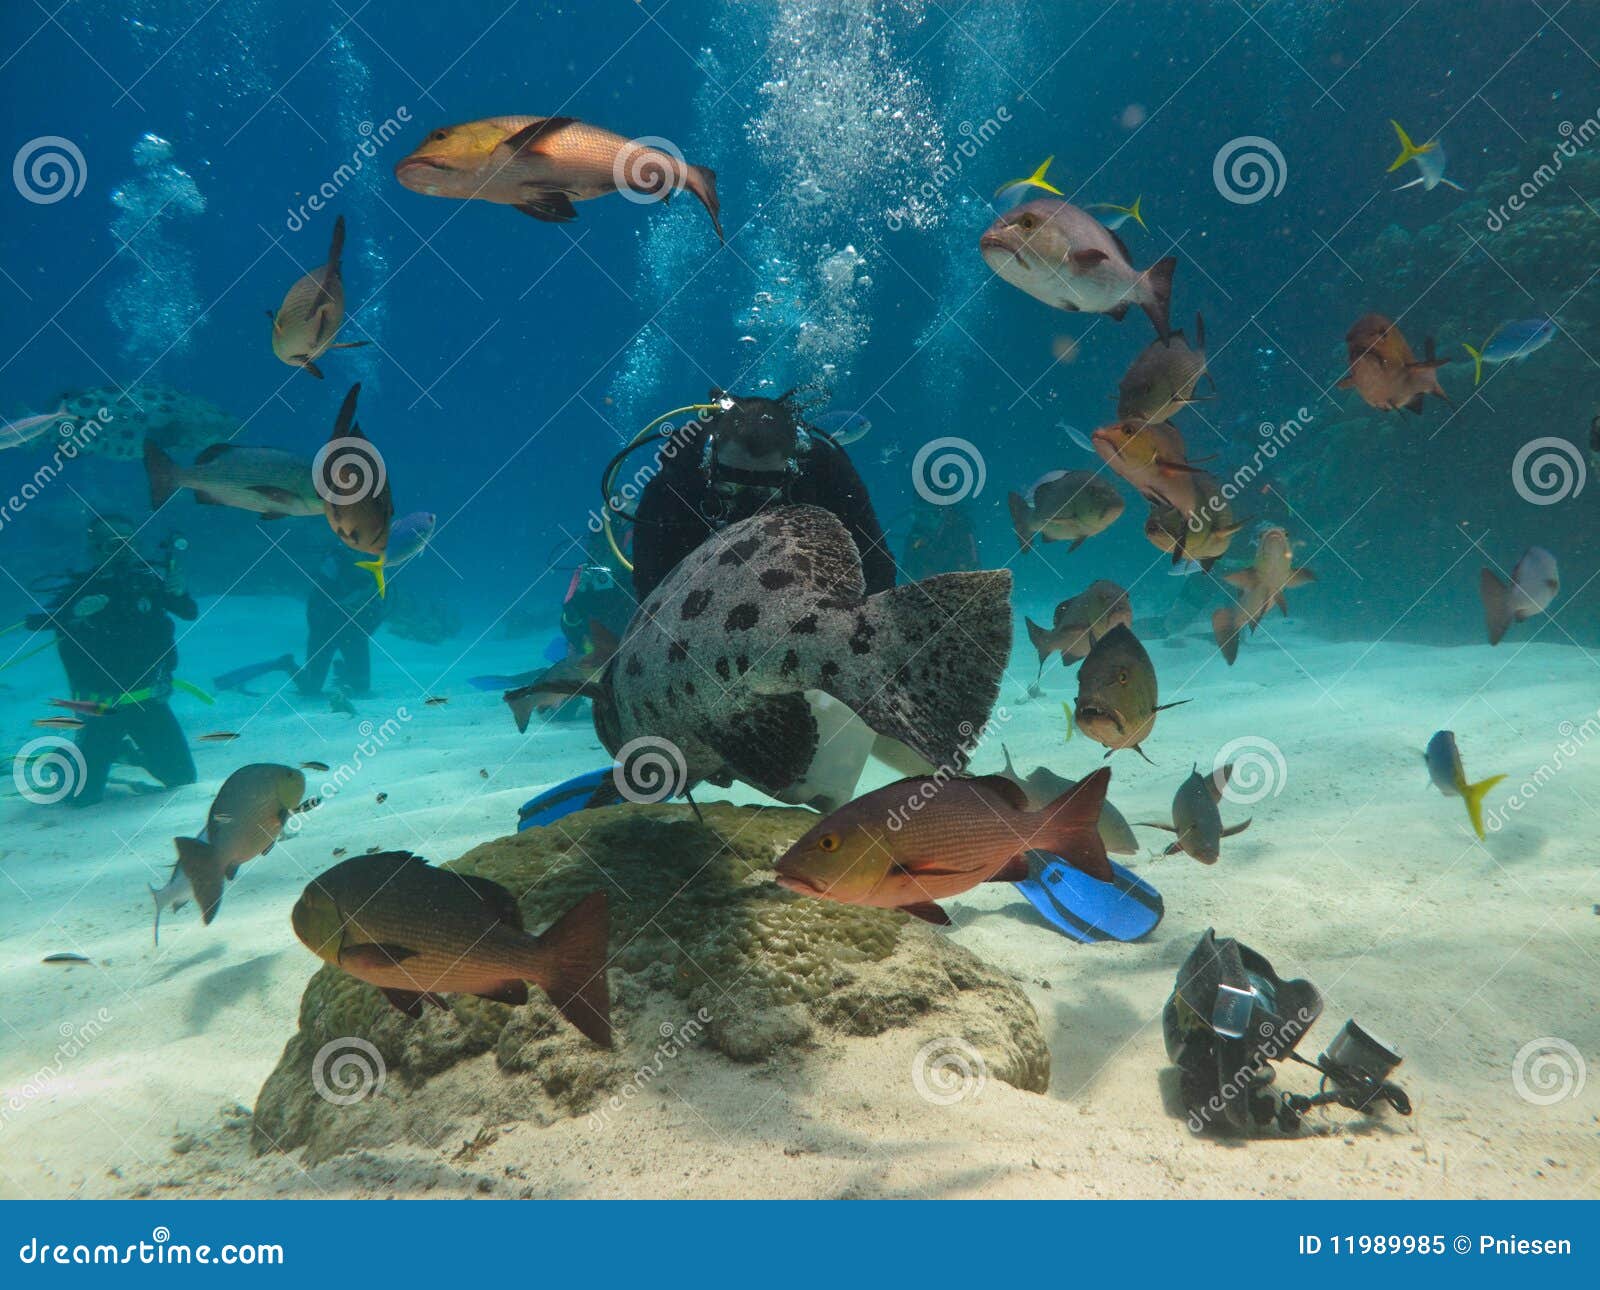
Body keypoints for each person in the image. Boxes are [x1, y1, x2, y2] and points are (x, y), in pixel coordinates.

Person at [629, 389, 895, 600]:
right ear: (710, 462)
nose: (748, 504)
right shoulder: (679, 479)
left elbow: (876, 562)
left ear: (792, 467)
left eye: (764, 488)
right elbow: (650, 581)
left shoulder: (824, 471)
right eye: (731, 484)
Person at [26, 514, 198, 806]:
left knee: (182, 777)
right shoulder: (82, 590)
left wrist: (179, 592)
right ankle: (65, 757)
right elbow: (36, 623)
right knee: (81, 798)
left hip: (150, 702)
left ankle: (126, 752)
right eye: (112, 546)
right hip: (100, 709)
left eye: (129, 544)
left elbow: (188, 611)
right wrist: (74, 614)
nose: (122, 552)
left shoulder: (150, 584)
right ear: (96, 550)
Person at [294, 547, 384, 697]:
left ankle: (342, 671)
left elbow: (379, 610)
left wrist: (364, 629)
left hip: (354, 632)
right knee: (311, 689)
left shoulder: (376, 566)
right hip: (324, 631)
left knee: (362, 688)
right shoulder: (334, 562)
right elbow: (316, 605)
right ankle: (287, 664)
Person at [900, 500, 981, 581]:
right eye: (921, 514)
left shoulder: (960, 531)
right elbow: (906, 573)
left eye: (934, 514)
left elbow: (969, 570)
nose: (928, 519)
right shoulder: (916, 535)